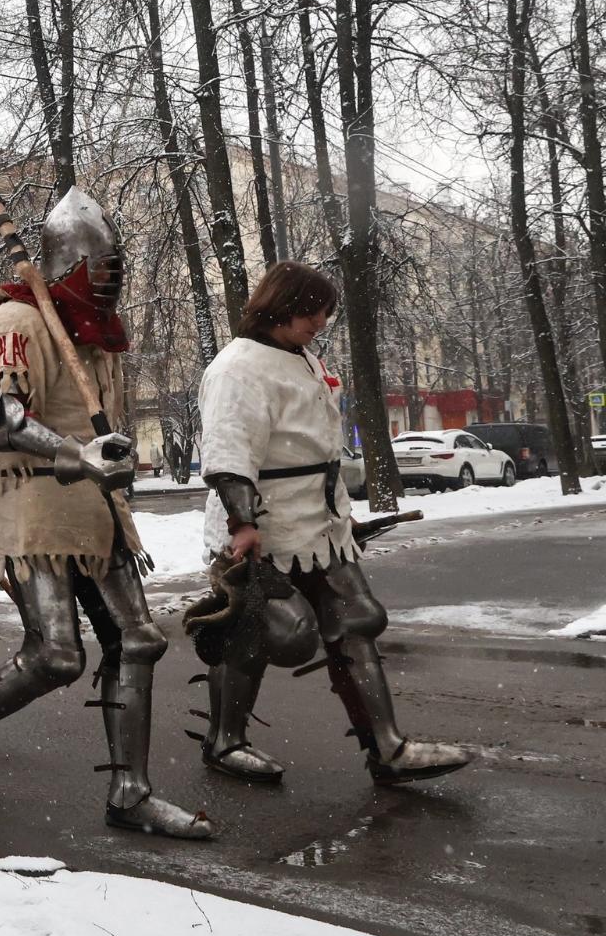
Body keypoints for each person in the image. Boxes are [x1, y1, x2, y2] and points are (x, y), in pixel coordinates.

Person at [0, 189, 213, 840]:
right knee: (56, 655)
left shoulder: (95, 342)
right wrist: (77, 452)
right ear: (70, 263)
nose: (112, 277)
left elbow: (102, 431)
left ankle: (131, 791)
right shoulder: (15, 324)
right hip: (31, 505)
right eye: (101, 265)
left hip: (98, 512)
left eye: (116, 265)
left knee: (139, 641)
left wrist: (108, 458)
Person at [194, 261, 472, 786]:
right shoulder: (237, 367)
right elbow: (229, 452)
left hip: (320, 523)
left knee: (357, 621)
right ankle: (225, 741)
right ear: (281, 303)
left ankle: (386, 748)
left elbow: (315, 448)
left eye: (325, 313)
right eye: (312, 311)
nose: (320, 322)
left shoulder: (304, 360)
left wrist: (341, 512)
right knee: (261, 632)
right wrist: (242, 523)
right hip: (260, 524)